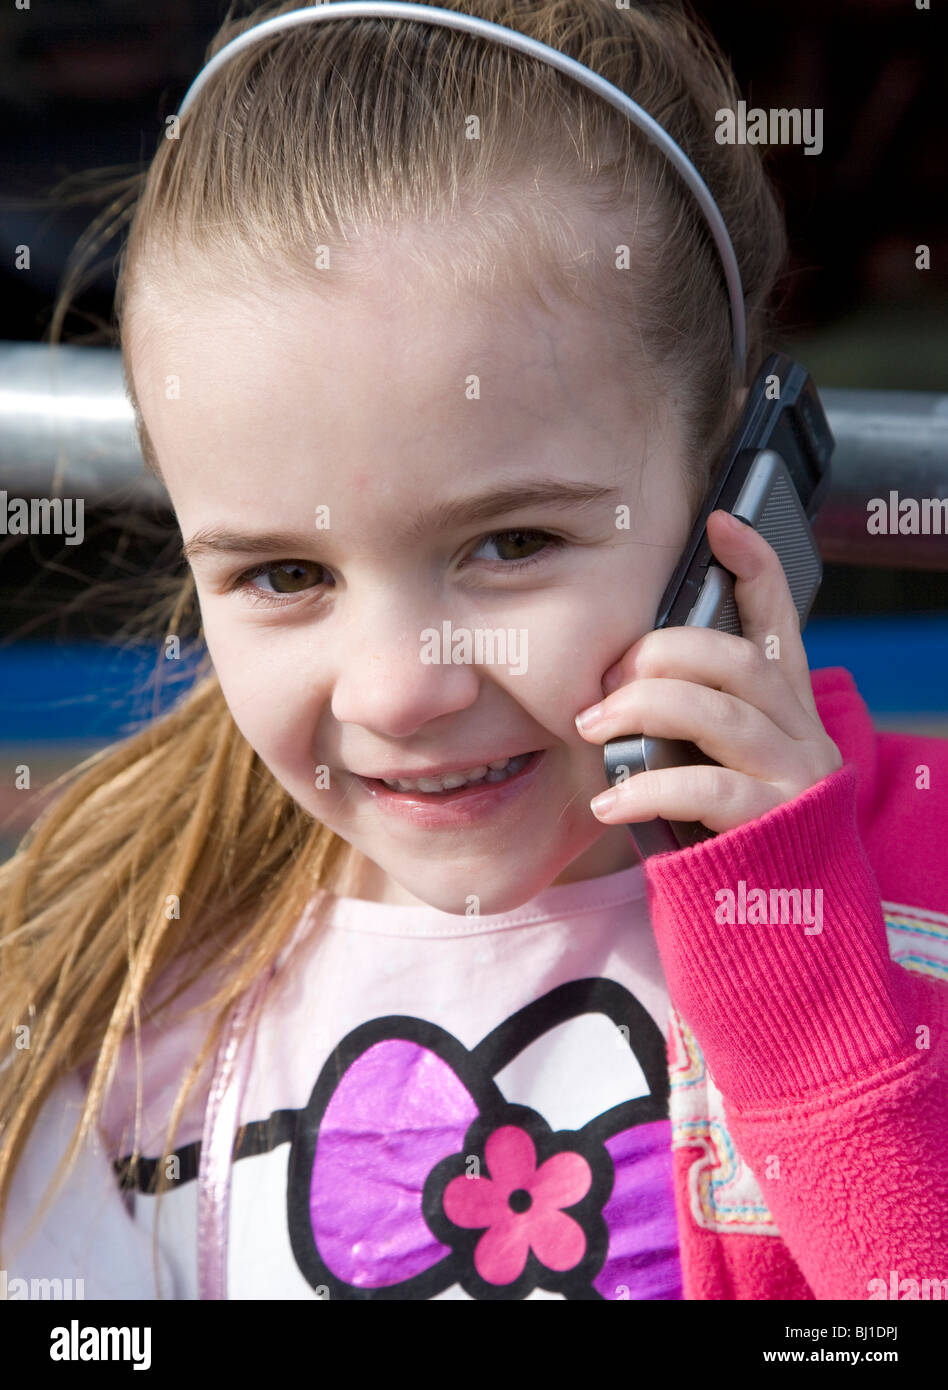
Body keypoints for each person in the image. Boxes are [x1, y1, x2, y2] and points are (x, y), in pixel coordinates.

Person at [2, 0, 947, 1302]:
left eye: (509, 544)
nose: (401, 687)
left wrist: (800, 981)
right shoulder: (108, 987)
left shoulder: (917, 888)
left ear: (738, 484)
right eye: (285, 573)